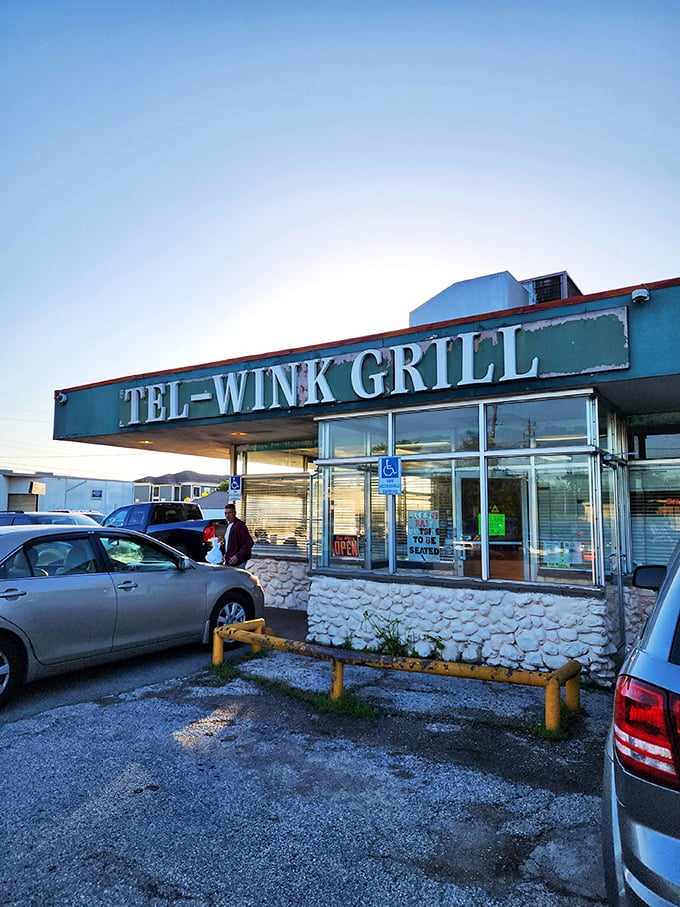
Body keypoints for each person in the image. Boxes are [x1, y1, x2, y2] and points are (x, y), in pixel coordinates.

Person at [221, 503, 254, 568]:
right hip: (230, 562)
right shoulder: (229, 526)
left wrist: (237, 556)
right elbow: (228, 544)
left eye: (229, 513)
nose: (227, 516)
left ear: (235, 513)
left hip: (239, 562)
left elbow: (249, 542)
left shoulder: (239, 525)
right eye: (226, 513)